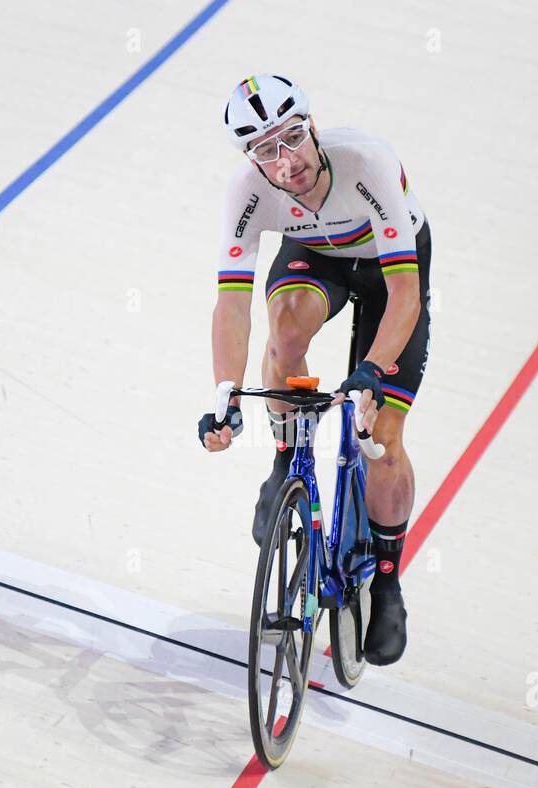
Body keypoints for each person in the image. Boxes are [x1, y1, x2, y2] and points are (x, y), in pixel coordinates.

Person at [198, 74, 432, 666]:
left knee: (382, 438)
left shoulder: (367, 163)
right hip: (318, 258)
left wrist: (374, 371)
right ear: (252, 159)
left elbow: (406, 293)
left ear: (313, 127)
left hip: (389, 269)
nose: (287, 159)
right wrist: (226, 393)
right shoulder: (247, 191)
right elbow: (232, 301)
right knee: (284, 333)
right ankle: (286, 461)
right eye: (266, 150)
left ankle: (386, 582)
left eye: (294, 136)